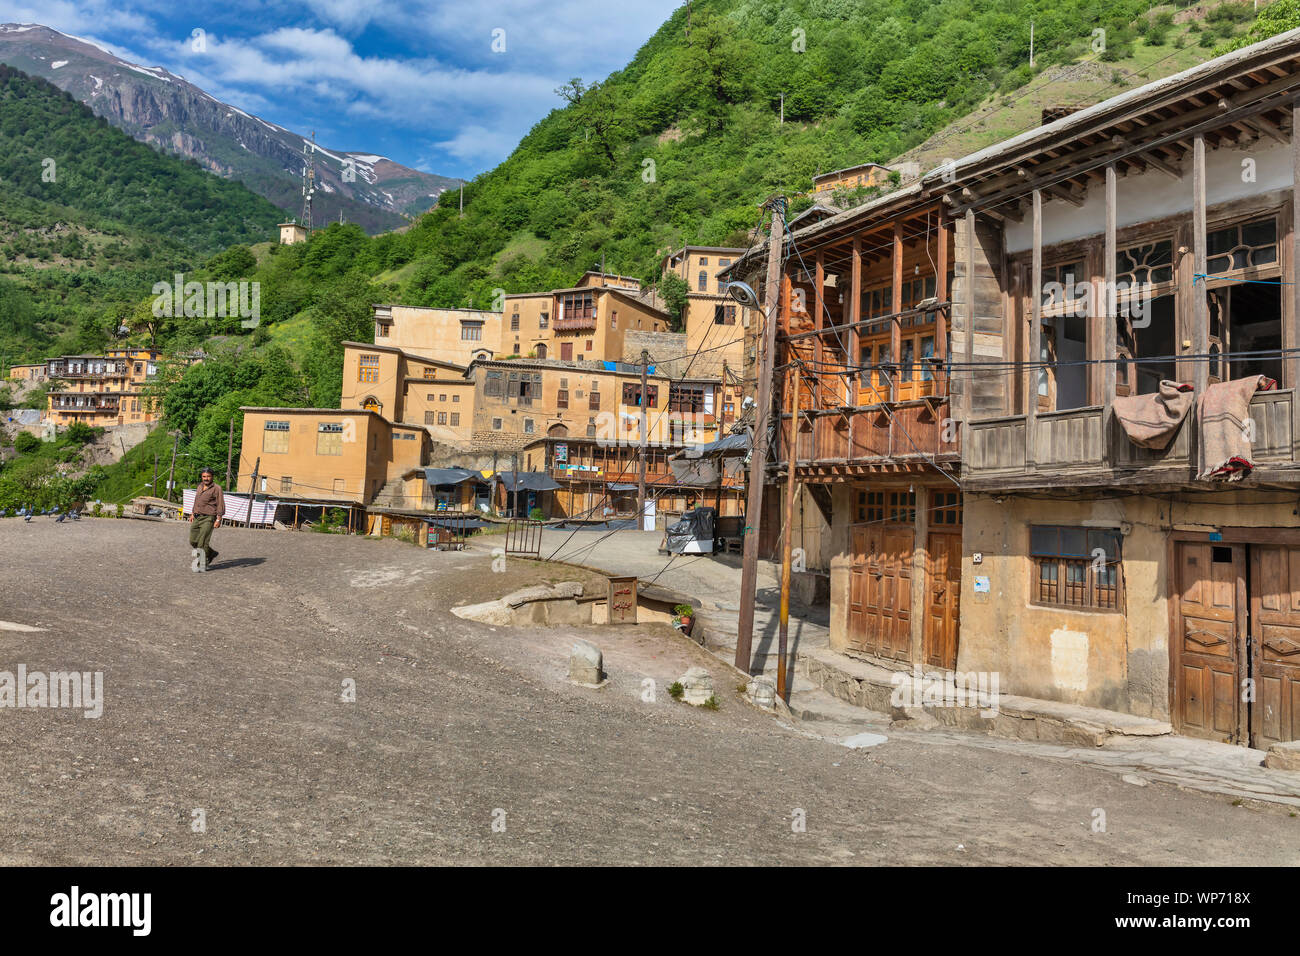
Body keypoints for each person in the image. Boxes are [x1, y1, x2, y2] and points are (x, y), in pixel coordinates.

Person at [189, 467, 225, 570]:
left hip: (209, 518)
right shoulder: (200, 486)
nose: (206, 478)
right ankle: (211, 553)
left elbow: (220, 504)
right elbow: (197, 501)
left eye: (208, 476)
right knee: (193, 541)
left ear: (212, 477)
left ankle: (202, 564)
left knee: (202, 542)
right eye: (204, 476)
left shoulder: (217, 488)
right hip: (197, 516)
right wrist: (192, 513)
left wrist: (218, 519)